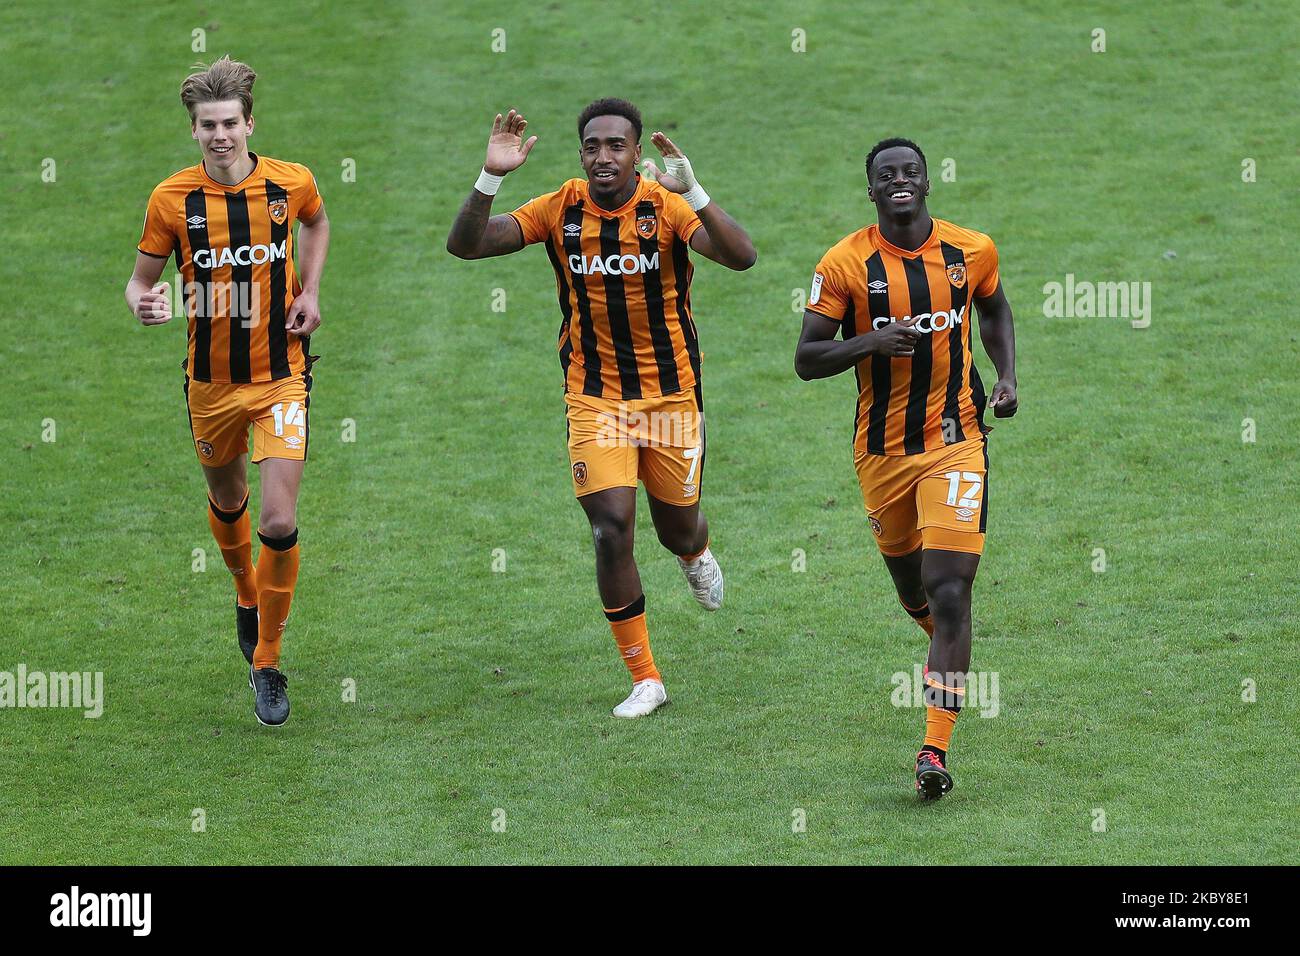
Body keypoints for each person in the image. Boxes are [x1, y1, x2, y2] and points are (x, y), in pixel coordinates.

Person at [446, 100, 756, 717]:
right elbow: (467, 245)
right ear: (581, 154)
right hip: (595, 398)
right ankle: (646, 678)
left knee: (677, 527)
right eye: (593, 146)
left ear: (636, 153)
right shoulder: (559, 208)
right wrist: (490, 176)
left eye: (617, 145)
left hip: (670, 397)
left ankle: (694, 552)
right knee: (611, 528)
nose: (604, 156)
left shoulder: (665, 206)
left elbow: (741, 255)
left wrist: (695, 193)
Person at [794, 138, 1018, 798]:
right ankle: (947, 648)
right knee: (913, 589)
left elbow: (994, 308)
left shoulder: (971, 250)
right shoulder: (843, 263)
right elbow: (807, 358)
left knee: (950, 591)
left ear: (927, 183)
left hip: (957, 439)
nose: (900, 180)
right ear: (871, 190)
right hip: (883, 453)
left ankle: (933, 751)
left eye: (911, 172)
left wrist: (1006, 376)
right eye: (886, 174)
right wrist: (870, 341)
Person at [125, 56, 330, 726]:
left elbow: (316, 222)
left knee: (277, 520)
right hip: (210, 387)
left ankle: (267, 663)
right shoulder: (171, 200)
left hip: (281, 378)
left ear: (250, 124)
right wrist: (144, 303)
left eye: (230, 124)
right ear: (194, 130)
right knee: (227, 499)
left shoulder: (291, 182)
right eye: (208, 125)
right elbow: (140, 281)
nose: (220, 135)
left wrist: (311, 291)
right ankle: (246, 592)